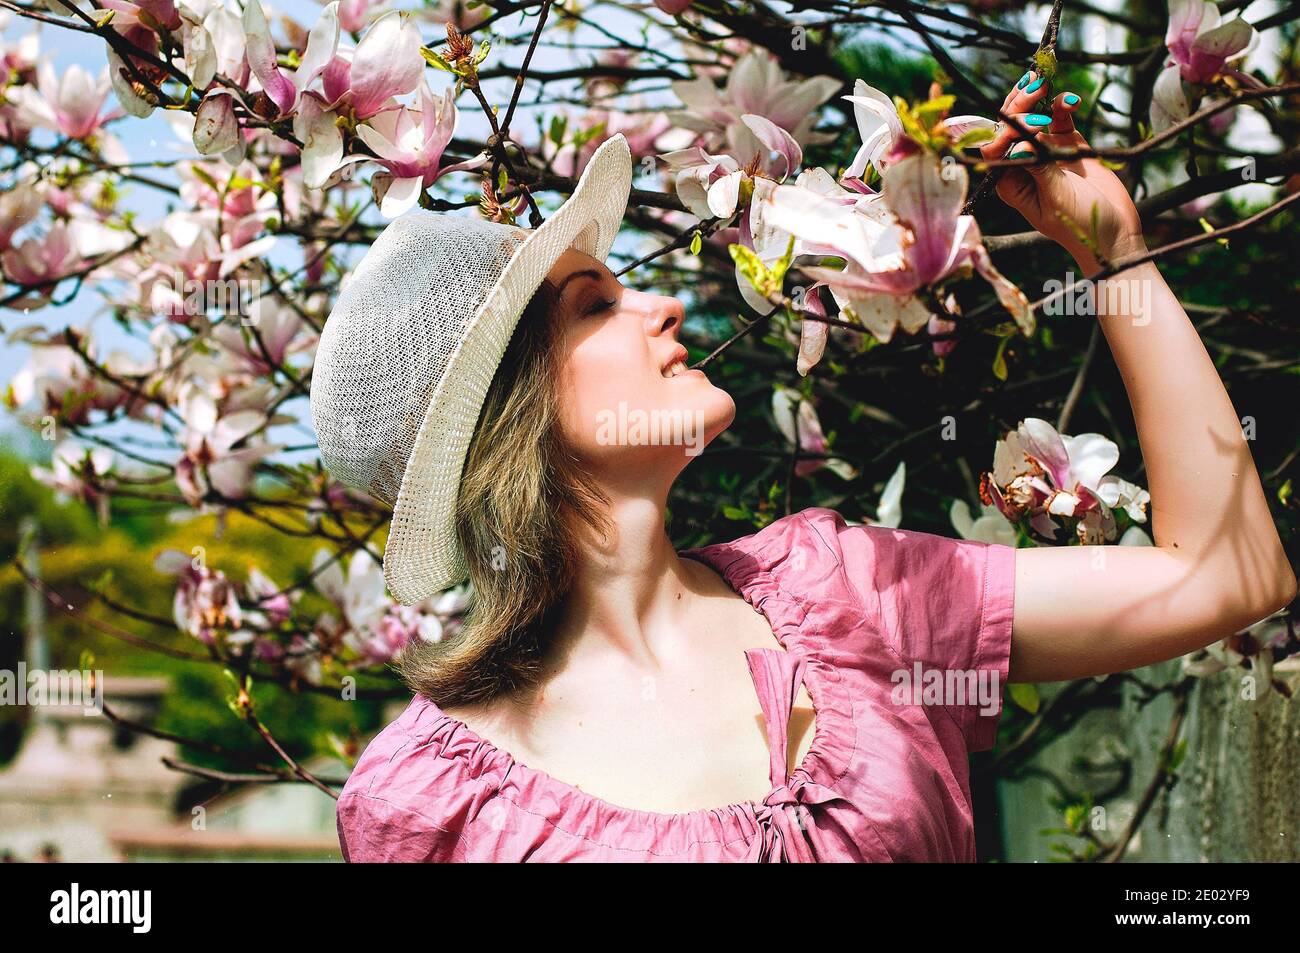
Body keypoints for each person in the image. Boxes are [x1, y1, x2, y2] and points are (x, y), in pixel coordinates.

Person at [310, 74, 1295, 862]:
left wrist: (1113, 256)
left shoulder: (853, 595)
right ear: (510, 416)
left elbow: (1226, 574)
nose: (656, 304)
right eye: (593, 305)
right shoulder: (427, 803)